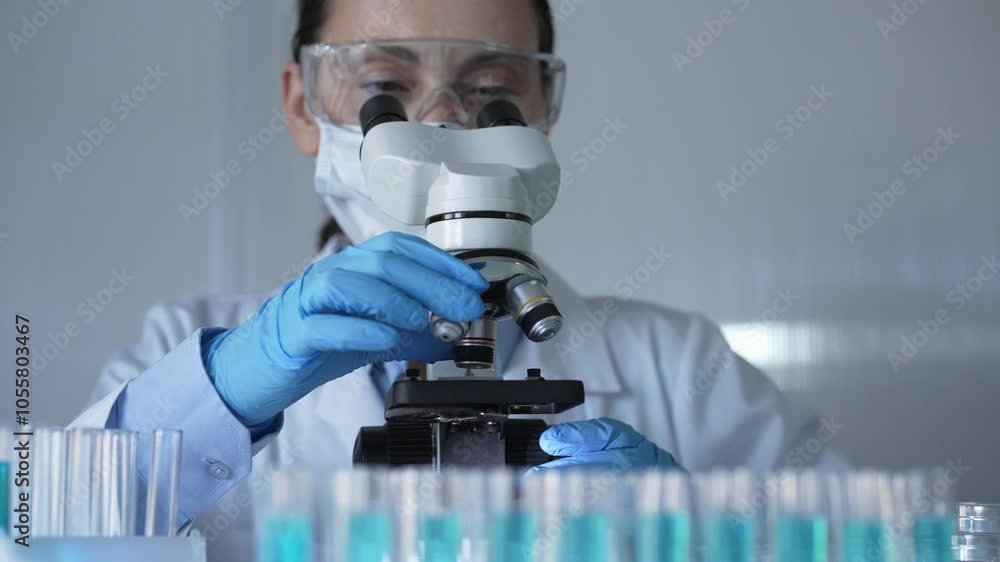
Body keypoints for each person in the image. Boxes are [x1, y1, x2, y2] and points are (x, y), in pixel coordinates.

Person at [73, 0, 846, 557]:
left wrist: (708, 542)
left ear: (543, 111)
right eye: (386, 86)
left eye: (493, 92)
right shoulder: (183, 348)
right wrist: (221, 398)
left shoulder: (681, 369)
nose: (442, 124)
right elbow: (31, 532)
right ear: (302, 106)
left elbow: (878, 542)